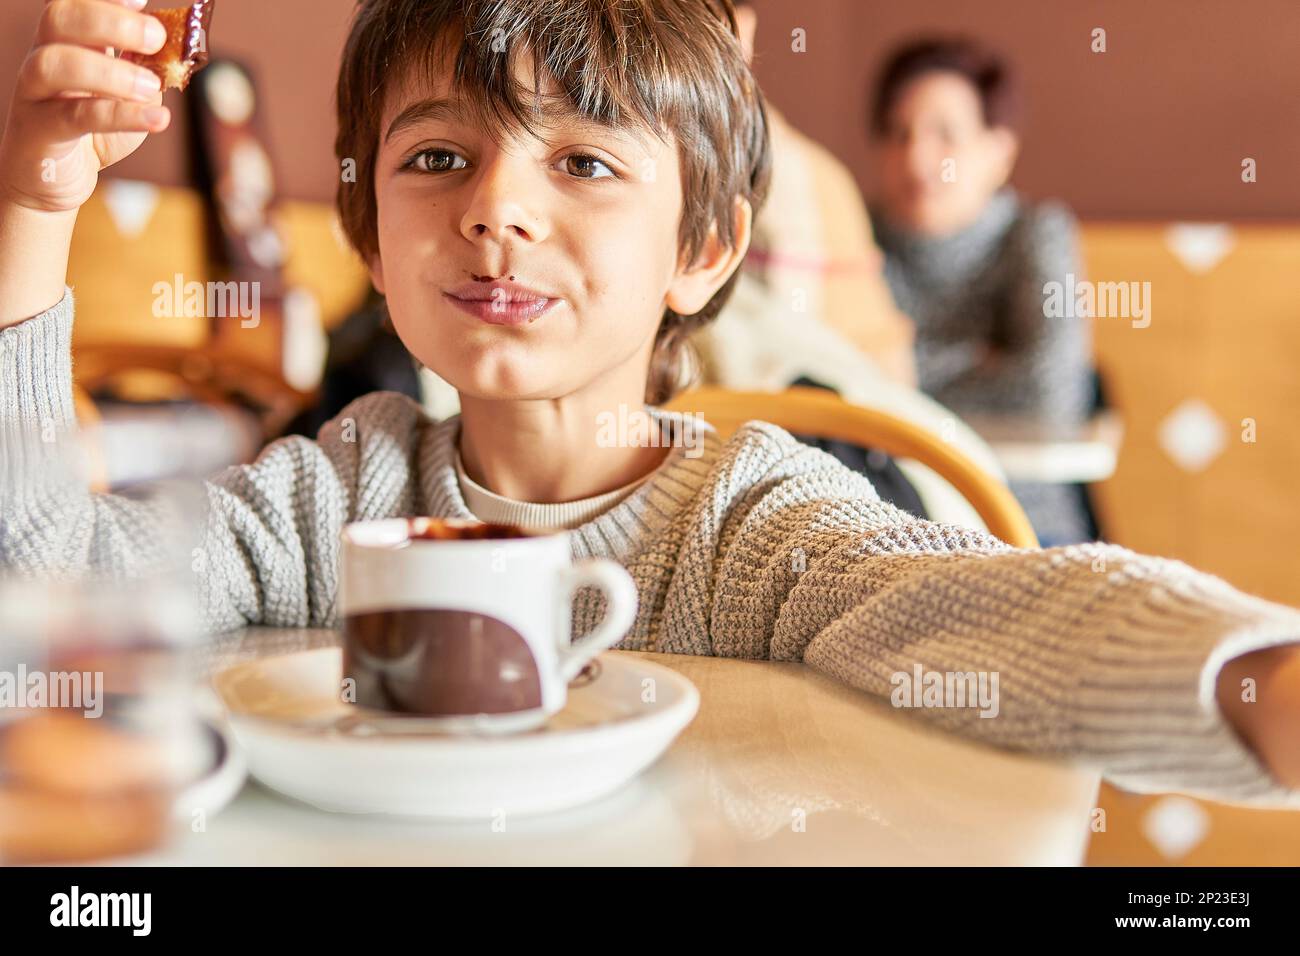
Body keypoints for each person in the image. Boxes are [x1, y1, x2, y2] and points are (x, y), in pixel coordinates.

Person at [2, 0, 1300, 807]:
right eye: (438, 156)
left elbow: (974, 609)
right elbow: (43, 591)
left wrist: (1250, 680)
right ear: (370, 230)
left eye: (583, 161)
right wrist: (37, 202)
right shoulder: (336, 492)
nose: (496, 208)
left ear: (706, 246)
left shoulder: (746, 520)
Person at [868, 37, 1096, 546]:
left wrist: (905, 366)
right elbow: (839, 388)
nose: (917, 155)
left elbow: (1048, 393)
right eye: (898, 133)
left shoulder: (1036, 234)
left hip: (1027, 521)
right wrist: (979, 361)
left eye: (945, 134)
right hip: (888, 520)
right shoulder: (851, 237)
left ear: (1000, 152)